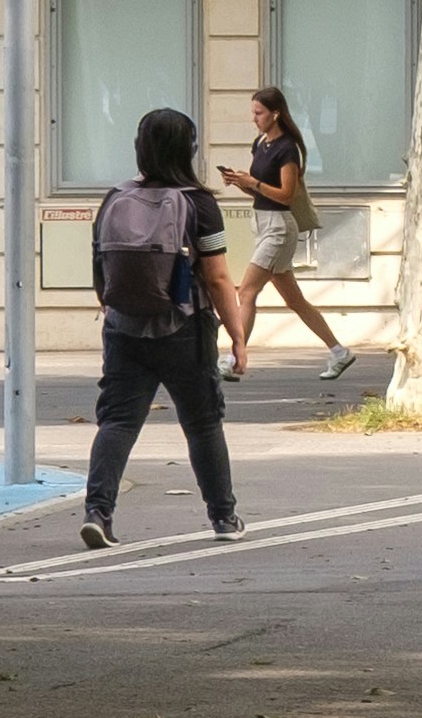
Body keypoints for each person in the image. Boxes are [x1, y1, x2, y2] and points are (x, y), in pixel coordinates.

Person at [80, 105, 245, 551]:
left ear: (140, 147)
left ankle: (98, 512)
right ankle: (224, 517)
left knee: (116, 423)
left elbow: (100, 266)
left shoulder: (114, 197)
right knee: (204, 425)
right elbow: (216, 276)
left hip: (122, 328)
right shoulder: (199, 203)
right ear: (190, 150)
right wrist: (238, 336)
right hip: (185, 329)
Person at [221, 77, 354, 389]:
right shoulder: (261, 145)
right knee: (295, 300)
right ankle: (339, 351)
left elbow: (286, 194)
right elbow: (261, 194)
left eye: (258, 113)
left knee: (247, 291)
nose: (254, 119)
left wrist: (252, 183)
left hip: (280, 227)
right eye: (253, 113)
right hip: (263, 222)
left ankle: (234, 358)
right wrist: (241, 182)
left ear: (275, 114)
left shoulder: (287, 149)